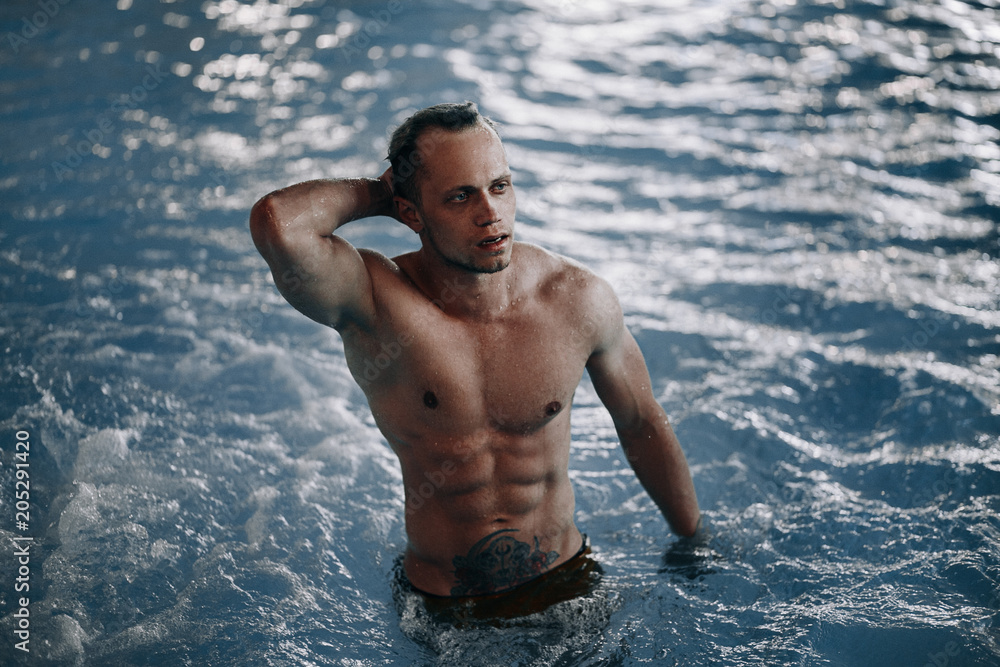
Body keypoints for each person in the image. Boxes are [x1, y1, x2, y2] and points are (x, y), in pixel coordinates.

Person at [249, 101, 700, 616]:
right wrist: (384, 191)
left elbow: (642, 420)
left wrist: (695, 541)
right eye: (461, 195)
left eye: (500, 186)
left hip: (566, 583)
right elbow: (278, 222)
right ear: (412, 213)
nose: (490, 213)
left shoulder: (575, 299)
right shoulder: (375, 305)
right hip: (444, 608)